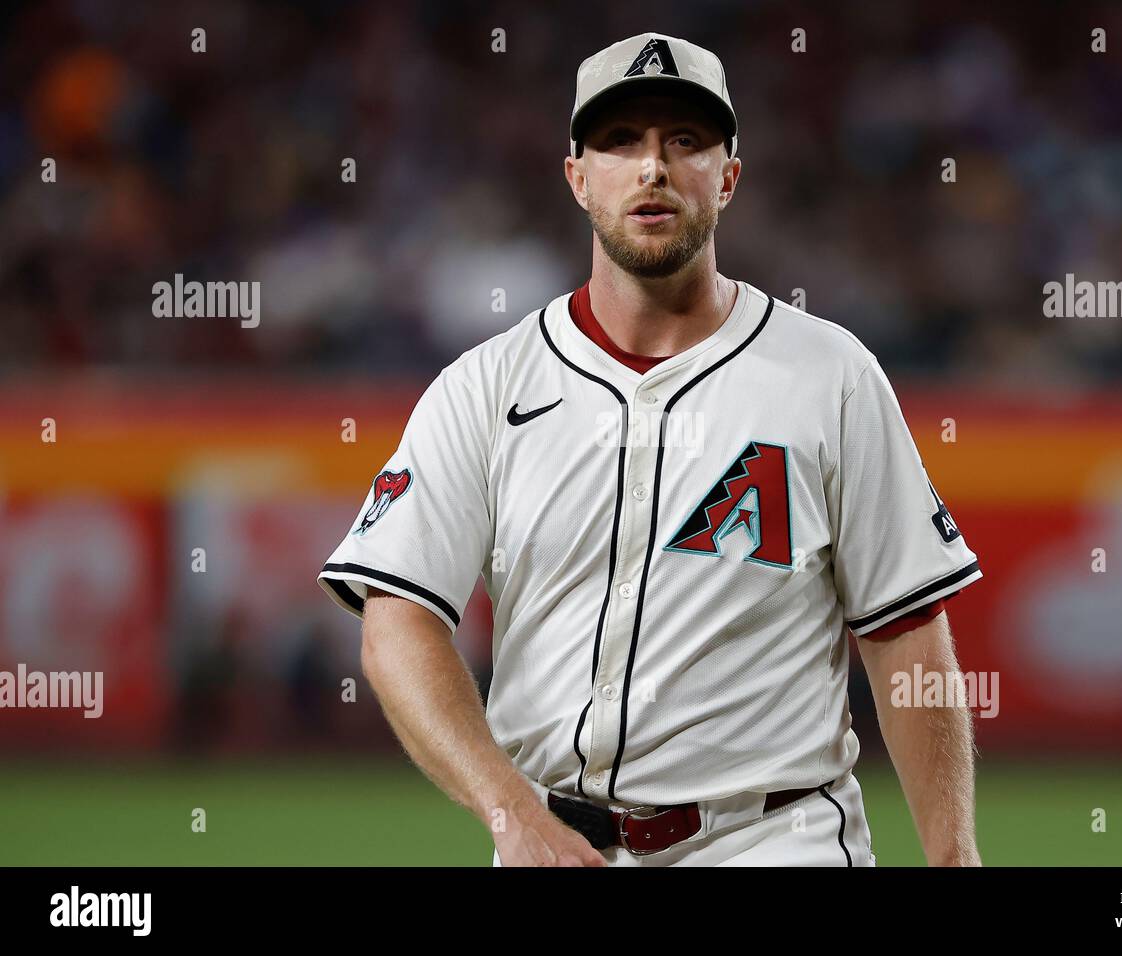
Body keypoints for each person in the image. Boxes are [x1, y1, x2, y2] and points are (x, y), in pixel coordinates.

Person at [318, 32, 983, 867]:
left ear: (729, 176)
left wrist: (956, 862)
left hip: (772, 839)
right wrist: (508, 812)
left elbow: (908, 634)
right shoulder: (484, 387)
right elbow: (397, 621)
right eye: (621, 140)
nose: (653, 167)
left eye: (686, 141)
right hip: (553, 843)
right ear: (577, 177)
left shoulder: (830, 377)